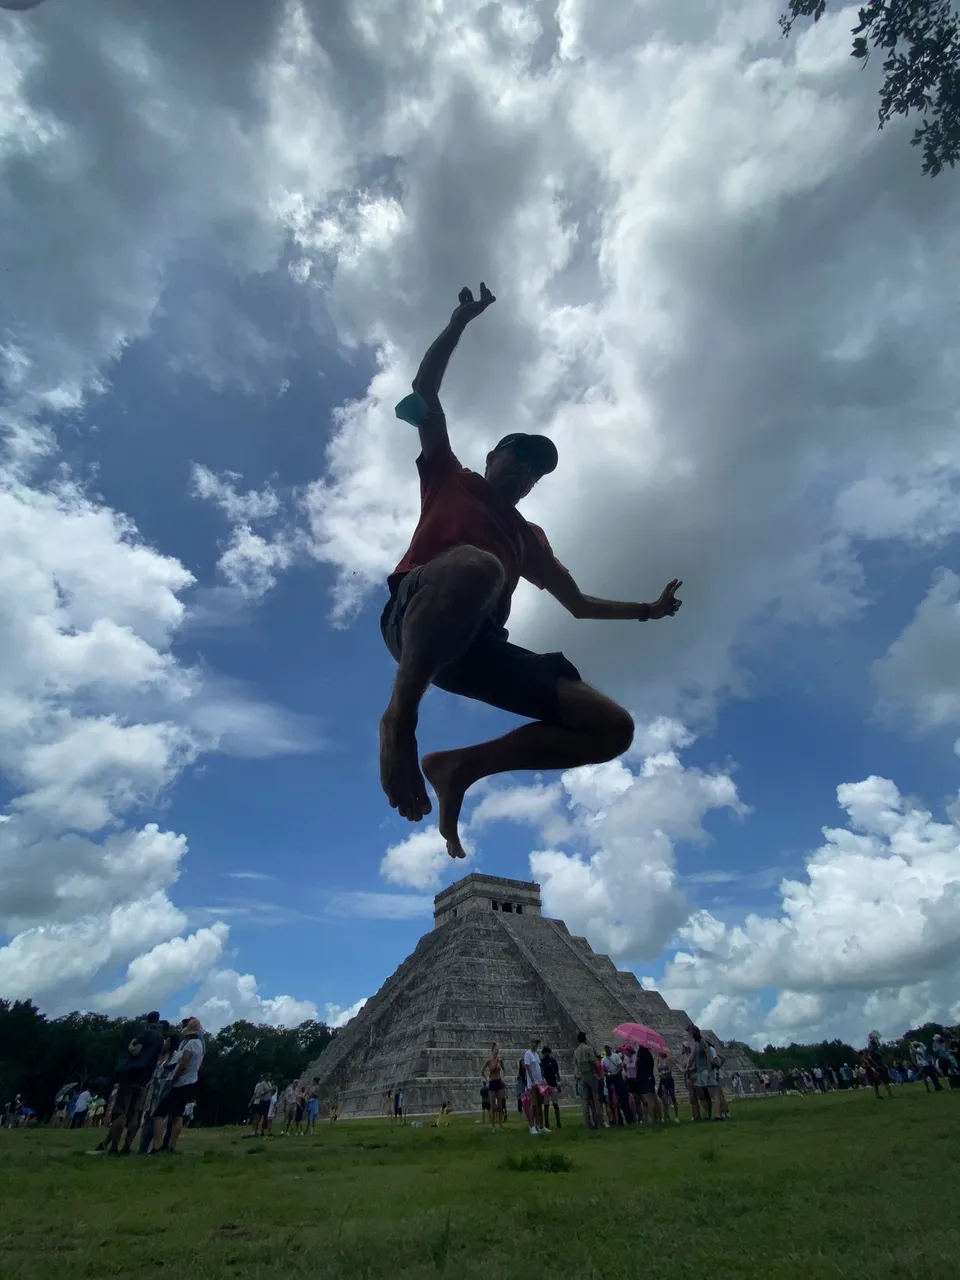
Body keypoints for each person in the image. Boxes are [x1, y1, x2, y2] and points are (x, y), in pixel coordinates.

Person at [378, 284, 684, 860]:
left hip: (481, 647)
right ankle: (399, 721)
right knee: (476, 566)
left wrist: (650, 609)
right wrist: (460, 318)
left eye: (534, 471)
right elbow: (424, 390)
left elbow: (578, 603)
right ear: (493, 456)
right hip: (418, 613)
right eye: (517, 456)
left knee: (611, 728)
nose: (523, 471)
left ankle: (462, 766)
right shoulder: (452, 478)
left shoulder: (530, 538)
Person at [95, 1010, 164, 1156]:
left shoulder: (144, 1034)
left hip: (130, 1075)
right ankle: (127, 1146)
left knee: (121, 1111)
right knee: (135, 1114)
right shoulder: (160, 1039)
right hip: (145, 1077)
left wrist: (130, 1046)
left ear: (147, 1021)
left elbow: (136, 1051)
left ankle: (114, 1146)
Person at [149, 1018, 205, 1153]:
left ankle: (157, 1146)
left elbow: (183, 1064)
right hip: (192, 1080)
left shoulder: (189, 1044)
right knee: (177, 1115)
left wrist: (173, 1080)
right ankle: (171, 1145)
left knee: (159, 1114)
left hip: (181, 1082)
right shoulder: (200, 1044)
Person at [687, 1026, 717, 1121]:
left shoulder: (702, 1042)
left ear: (694, 1032)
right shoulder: (696, 1044)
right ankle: (706, 1114)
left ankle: (713, 1114)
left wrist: (709, 1069)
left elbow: (708, 1054)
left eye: (690, 1032)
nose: (689, 1034)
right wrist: (688, 1067)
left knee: (709, 1094)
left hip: (705, 1070)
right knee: (702, 1095)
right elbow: (692, 1056)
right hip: (698, 1071)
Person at [572, 1031, 601, 1130]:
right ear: (584, 1038)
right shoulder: (588, 1048)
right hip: (590, 1074)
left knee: (585, 1102)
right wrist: (597, 1073)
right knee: (596, 1098)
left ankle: (588, 1123)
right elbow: (593, 1062)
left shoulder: (576, 1051)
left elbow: (576, 1065)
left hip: (582, 1076)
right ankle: (599, 1121)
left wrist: (576, 1074)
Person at [523, 1038, 546, 1133]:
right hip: (532, 1083)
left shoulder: (536, 1054)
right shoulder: (527, 1053)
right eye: (535, 1043)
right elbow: (527, 1067)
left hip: (539, 1082)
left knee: (540, 1105)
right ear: (531, 1043)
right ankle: (532, 1126)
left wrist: (542, 1078)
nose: (536, 1045)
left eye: (537, 1044)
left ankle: (540, 1125)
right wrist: (532, 1079)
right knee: (533, 1105)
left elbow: (539, 1067)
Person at [481, 1044, 506, 1129]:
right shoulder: (489, 1061)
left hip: (498, 1082)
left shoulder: (500, 1060)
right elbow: (482, 1071)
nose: (497, 1051)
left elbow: (504, 1069)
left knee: (500, 1105)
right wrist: (487, 1079)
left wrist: (502, 1075)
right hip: (492, 1083)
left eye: (498, 1050)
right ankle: (493, 1126)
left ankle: (500, 1124)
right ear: (492, 1051)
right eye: (495, 1049)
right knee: (493, 1106)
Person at [539, 1044, 562, 1130]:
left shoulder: (553, 1061)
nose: (546, 1054)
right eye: (545, 1052)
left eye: (547, 1052)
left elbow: (557, 1073)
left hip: (553, 1084)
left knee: (555, 1104)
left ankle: (558, 1121)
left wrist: (558, 1083)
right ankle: (546, 1123)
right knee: (546, 1105)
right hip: (545, 1085)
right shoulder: (541, 1062)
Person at [658, 1051, 680, 1122]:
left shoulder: (668, 1059)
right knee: (664, 1099)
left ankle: (676, 1116)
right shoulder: (659, 1059)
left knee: (673, 1097)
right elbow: (658, 1069)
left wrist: (663, 1073)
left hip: (668, 1079)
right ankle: (666, 1115)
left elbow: (670, 1070)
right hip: (662, 1080)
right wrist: (660, 1072)